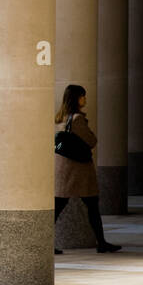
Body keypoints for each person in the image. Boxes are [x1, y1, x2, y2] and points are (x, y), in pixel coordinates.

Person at [54, 84, 121, 255]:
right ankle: (102, 243)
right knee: (91, 206)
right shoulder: (76, 119)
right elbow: (91, 140)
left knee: (58, 207)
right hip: (78, 169)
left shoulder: (60, 117)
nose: (85, 99)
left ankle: (45, 242)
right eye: (82, 96)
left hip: (63, 168)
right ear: (76, 98)